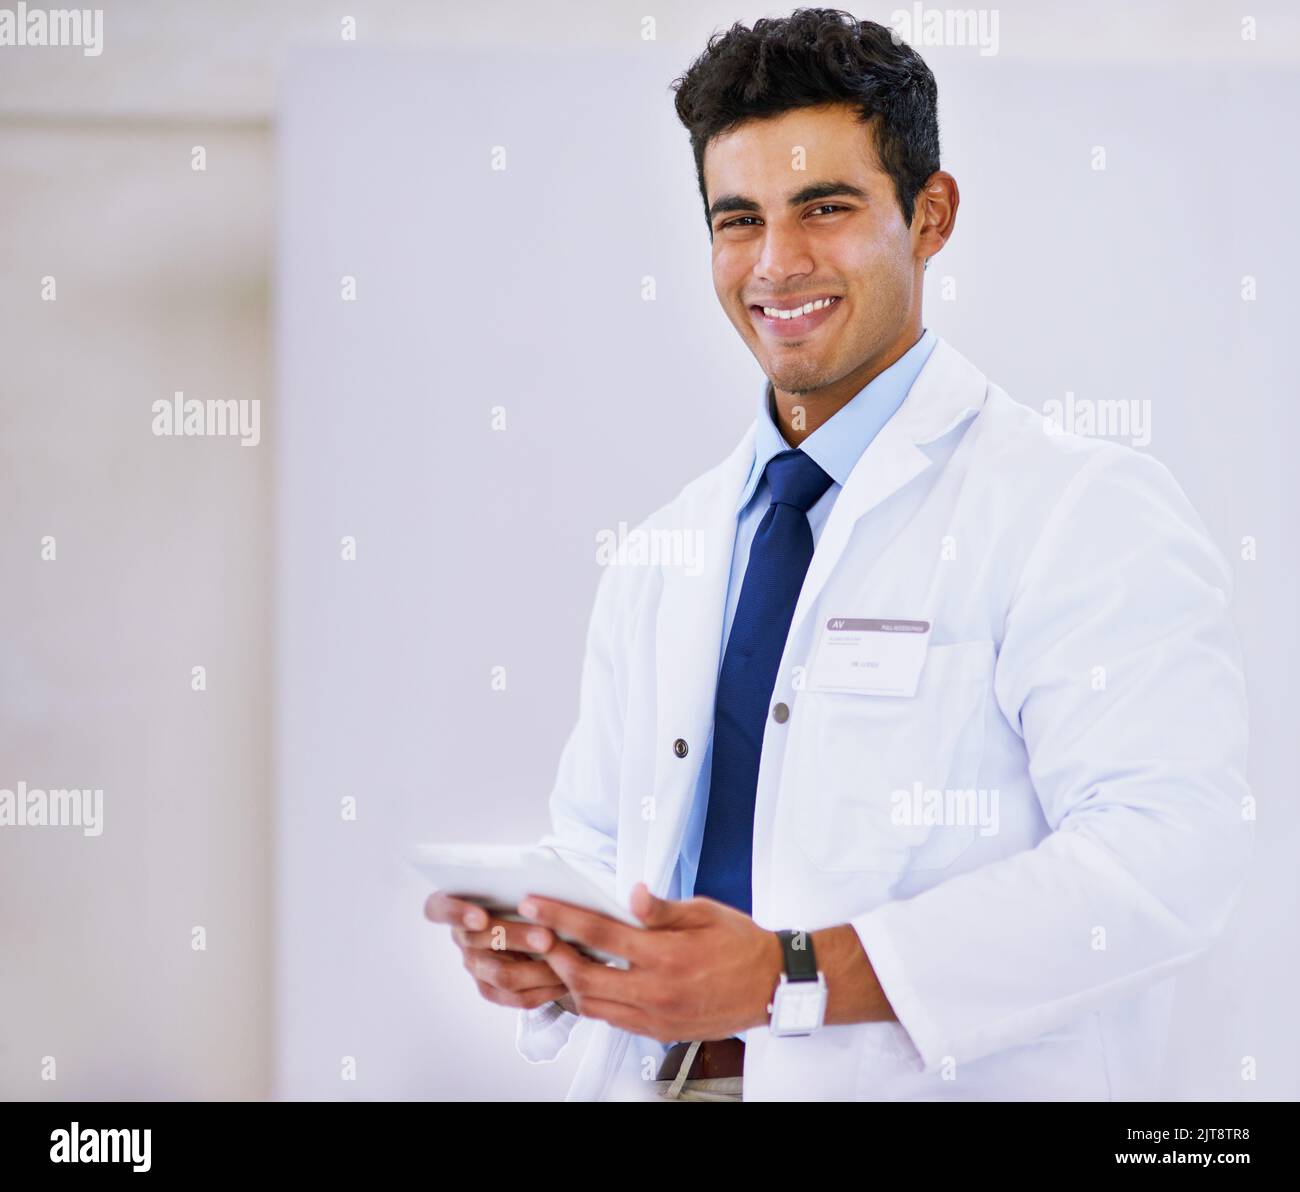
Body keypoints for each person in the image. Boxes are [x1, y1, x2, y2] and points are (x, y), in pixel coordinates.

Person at [425, 8, 1252, 1102]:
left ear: (930, 215)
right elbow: (608, 842)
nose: (777, 264)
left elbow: (1162, 865)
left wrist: (789, 977)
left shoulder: (1076, 511)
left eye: (824, 207)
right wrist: (551, 936)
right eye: (738, 219)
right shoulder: (670, 547)